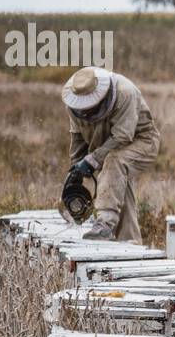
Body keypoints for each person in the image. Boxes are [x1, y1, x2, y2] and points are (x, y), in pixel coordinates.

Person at [61, 66, 160, 243]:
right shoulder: (74, 105)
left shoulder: (125, 92)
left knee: (115, 161)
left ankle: (105, 224)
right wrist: (75, 174)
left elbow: (123, 136)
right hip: (108, 150)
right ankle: (130, 243)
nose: (86, 111)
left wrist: (92, 159)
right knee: (118, 187)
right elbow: (77, 140)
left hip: (142, 142)